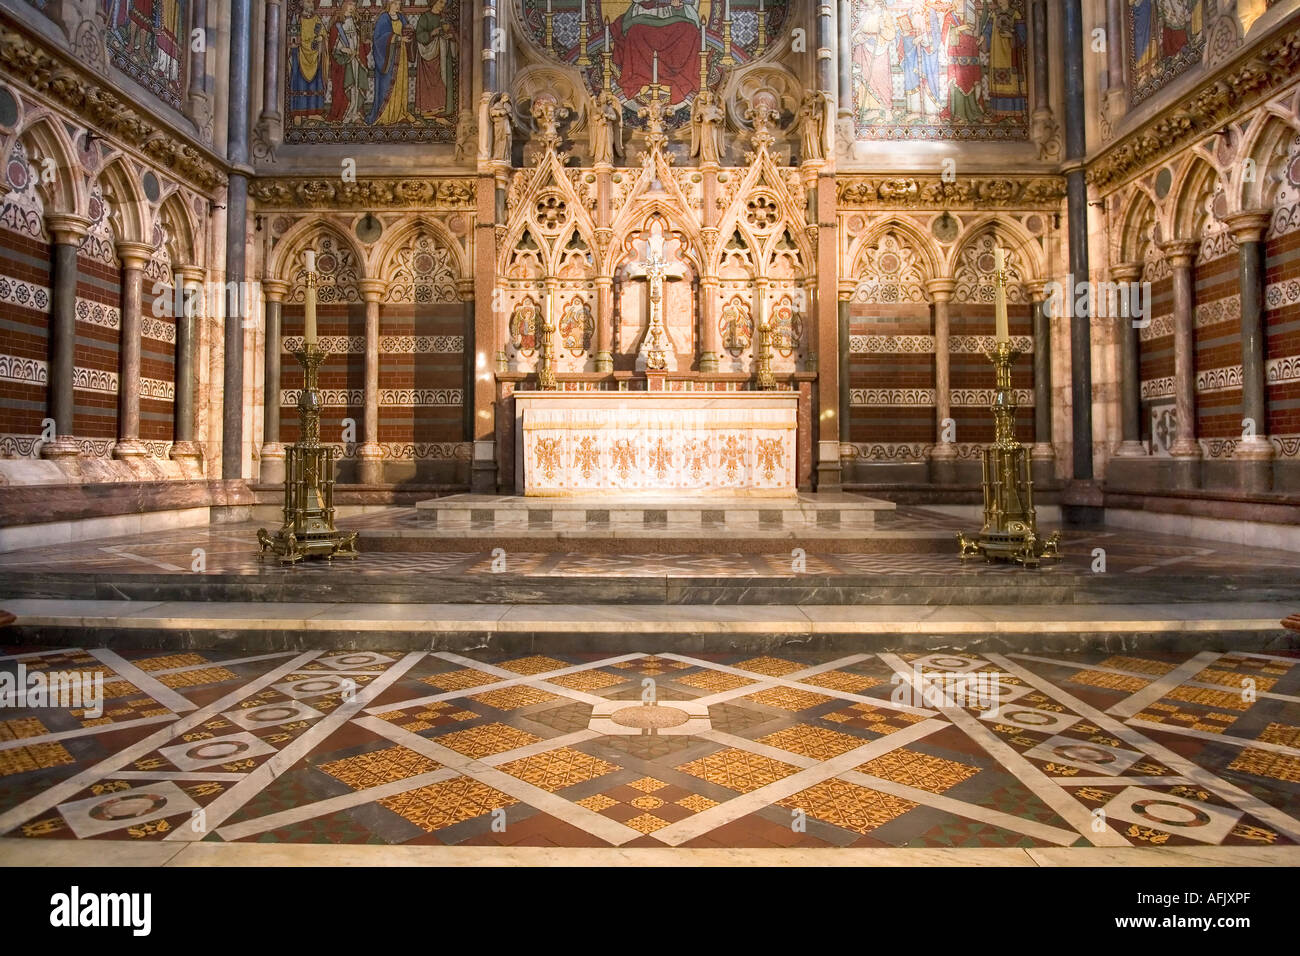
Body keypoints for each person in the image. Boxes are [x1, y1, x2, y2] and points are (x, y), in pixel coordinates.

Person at [369, 0, 416, 125]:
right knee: (388, 84)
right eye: (395, 3)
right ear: (389, 4)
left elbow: (407, 31)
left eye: (399, 3)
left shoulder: (401, 17)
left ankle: (400, 113)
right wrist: (398, 38)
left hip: (402, 56)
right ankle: (386, 115)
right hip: (388, 59)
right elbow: (378, 39)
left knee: (401, 83)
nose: (397, 6)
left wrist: (410, 33)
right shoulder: (384, 18)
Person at [415, 0, 458, 119]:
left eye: (444, 3)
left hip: (444, 56)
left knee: (443, 82)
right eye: (441, 2)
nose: (442, 5)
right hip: (429, 57)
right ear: (434, 2)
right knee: (430, 84)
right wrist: (431, 34)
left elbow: (454, 34)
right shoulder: (425, 17)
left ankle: (445, 109)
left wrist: (451, 36)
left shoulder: (444, 18)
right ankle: (428, 111)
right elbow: (418, 35)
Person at [328, 0, 367, 123]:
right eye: (350, 4)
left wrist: (366, 44)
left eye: (354, 5)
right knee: (345, 87)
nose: (352, 7)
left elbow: (360, 41)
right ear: (344, 5)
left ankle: (355, 113)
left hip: (356, 60)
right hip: (344, 63)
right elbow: (332, 45)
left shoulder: (356, 23)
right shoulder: (337, 25)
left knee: (356, 86)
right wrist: (343, 49)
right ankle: (344, 114)